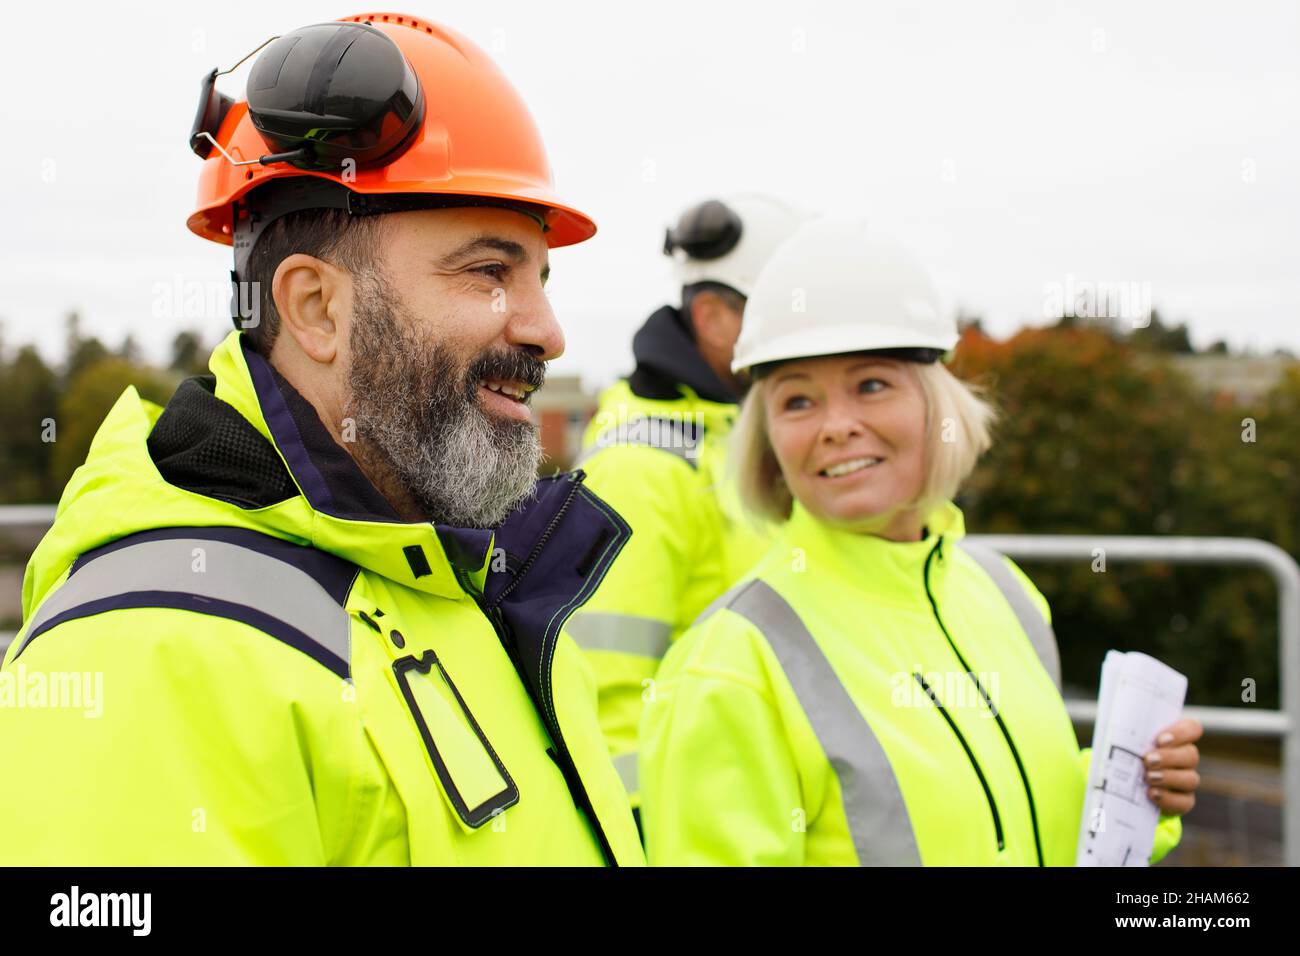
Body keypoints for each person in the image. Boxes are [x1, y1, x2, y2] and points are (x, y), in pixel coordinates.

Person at [0, 13, 643, 866]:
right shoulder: (154, 652)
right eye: (490, 271)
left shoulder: (456, 582)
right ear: (316, 309)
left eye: (541, 278)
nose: (547, 330)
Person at [638, 218, 1201, 865]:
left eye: (871, 385)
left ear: (939, 407)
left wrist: (1132, 792)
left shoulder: (1004, 593)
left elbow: (1007, 822)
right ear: (768, 439)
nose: (837, 426)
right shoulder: (730, 664)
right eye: (798, 401)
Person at [567, 194, 807, 807]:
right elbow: (607, 702)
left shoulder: (737, 439)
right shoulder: (640, 468)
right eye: (783, 317)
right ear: (714, 317)